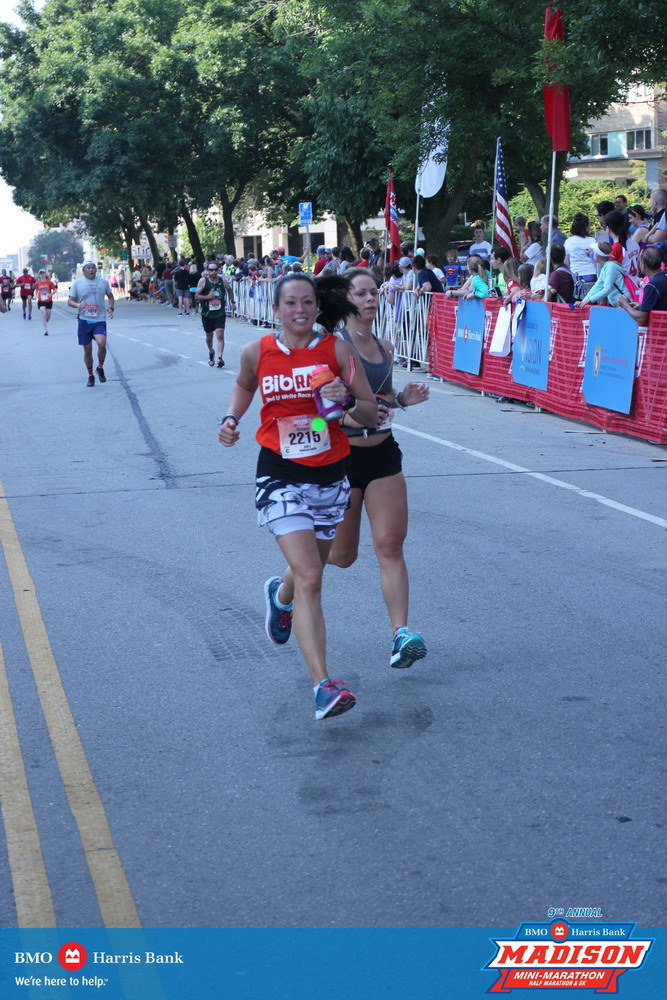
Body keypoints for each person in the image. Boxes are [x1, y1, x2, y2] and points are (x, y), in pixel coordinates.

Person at [218, 273, 377, 720]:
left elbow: (370, 412)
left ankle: (279, 596)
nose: (300, 310)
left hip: (330, 476)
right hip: (279, 473)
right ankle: (322, 685)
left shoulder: (338, 352)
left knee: (310, 569)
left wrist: (343, 402)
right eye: (290, 303)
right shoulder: (258, 351)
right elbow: (245, 386)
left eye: (307, 302)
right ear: (276, 309)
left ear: (316, 306)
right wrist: (231, 419)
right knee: (311, 575)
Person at [325, 267, 429, 669]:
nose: (371, 299)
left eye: (374, 293)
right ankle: (284, 589)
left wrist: (402, 401)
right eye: (362, 294)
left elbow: (380, 405)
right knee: (341, 555)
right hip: (344, 459)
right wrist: (346, 419)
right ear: (345, 300)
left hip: (384, 457)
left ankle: (401, 634)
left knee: (390, 545)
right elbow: (315, 416)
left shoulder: (385, 346)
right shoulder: (333, 347)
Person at [67, 259, 115, 386]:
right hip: (84, 320)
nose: (91, 270)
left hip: (99, 320)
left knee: (102, 343)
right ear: (83, 270)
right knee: (87, 350)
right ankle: (91, 375)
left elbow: (110, 297)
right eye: (88, 268)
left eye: (93, 267)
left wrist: (111, 307)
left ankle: (100, 367)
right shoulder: (77, 283)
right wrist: (78, 305)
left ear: (96, 269)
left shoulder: (103, 282)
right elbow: (70, 301)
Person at [195, 259, 236, 367]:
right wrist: (208, 297)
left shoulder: (223, 280)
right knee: (209, 336)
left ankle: (219, 358)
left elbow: (229, 290)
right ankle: (211, 351)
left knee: (220, 334)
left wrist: (232, 302)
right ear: (207, 271)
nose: (213, 272)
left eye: (215, 270)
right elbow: (196, 297)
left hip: (219, 312)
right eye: (211, 270)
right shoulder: (203, 281)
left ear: (218, 270)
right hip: (207, 313)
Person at [618, 246, 667, 323]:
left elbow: (641, 318)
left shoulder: (652, 285)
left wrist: (625, 305)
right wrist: (643, 306)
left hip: (661, 331)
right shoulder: (662, 278)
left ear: (643, 265)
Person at [574, 243, 626, 309]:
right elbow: (597, 286)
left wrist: (589, 300)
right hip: (619, 304)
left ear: (597, 255)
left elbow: (607, 289)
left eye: (594, 251)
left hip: (625, 304)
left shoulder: (610, 267)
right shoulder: (605, 267)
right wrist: (584, 301)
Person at [563, 213, 597, 298]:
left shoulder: (568, 242)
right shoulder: (592, 241)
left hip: (575, 275)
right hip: (591, 274)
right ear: (585, 227)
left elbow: (566, 263)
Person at [34, 269, 57, 335]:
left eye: (43, 273)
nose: (42, 274)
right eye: (41, 273)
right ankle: (45, 330)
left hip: (48, 300)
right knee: (43, 314)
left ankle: (46, 320)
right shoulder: (37, 282)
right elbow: (36, 290)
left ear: (45, 274)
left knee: (48, 316)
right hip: (41, 300)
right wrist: (35, 296)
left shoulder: (49, 282)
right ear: (39, 275)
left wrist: (50, 294)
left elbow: (54, 290)